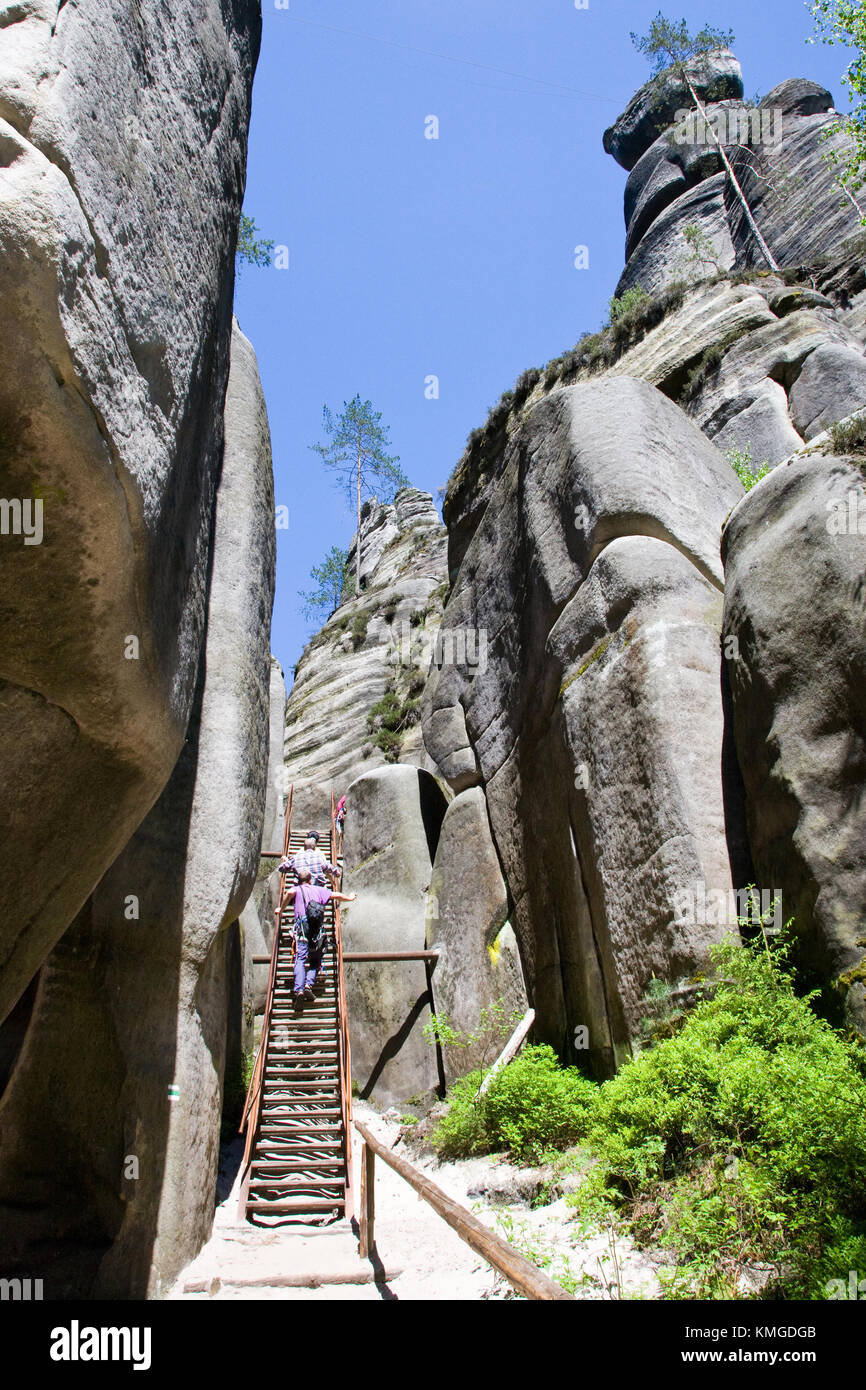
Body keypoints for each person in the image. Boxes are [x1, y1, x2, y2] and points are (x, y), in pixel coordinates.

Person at [285, 869, 356, 1004]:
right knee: (316, 960)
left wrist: (281, 909)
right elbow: (336, 895)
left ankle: (299, 990)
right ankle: (308, 985)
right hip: (317, 930)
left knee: (300, 959)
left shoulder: (296, 889)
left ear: (298, 881)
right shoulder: (319, 890)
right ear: (310, 880)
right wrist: (350, 897)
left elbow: (289, 893)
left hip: (301, 930)